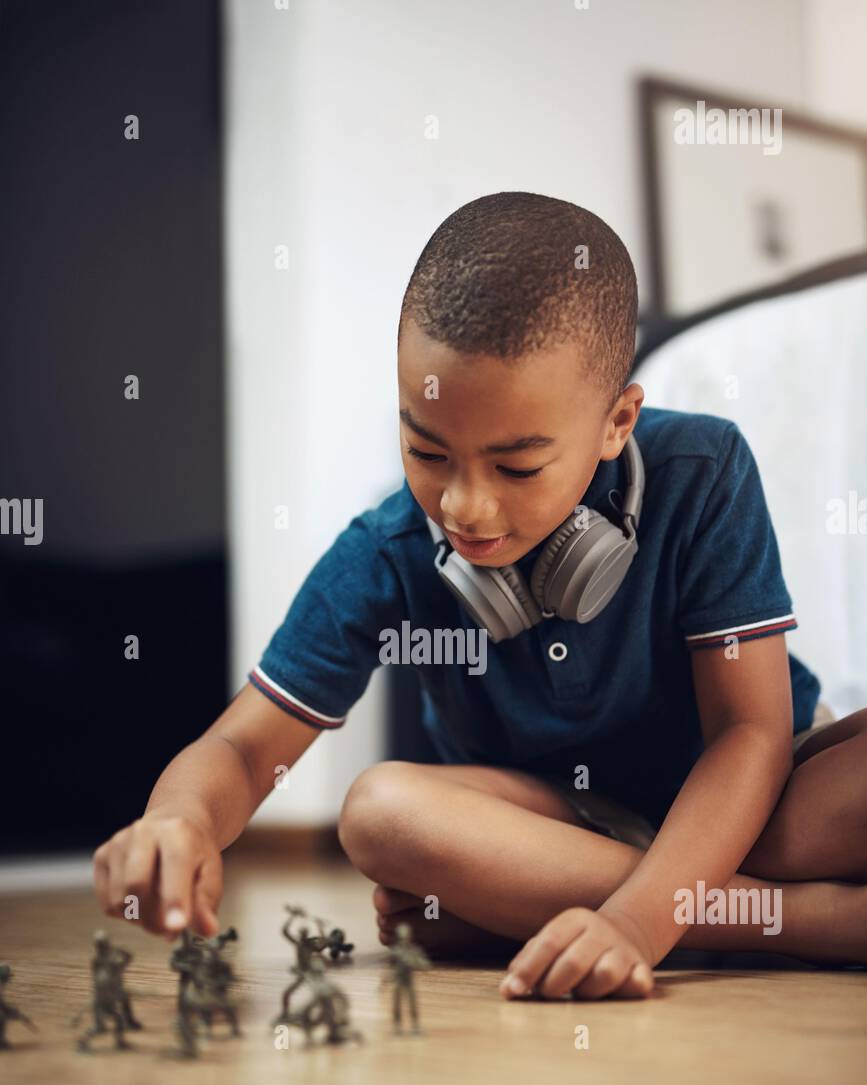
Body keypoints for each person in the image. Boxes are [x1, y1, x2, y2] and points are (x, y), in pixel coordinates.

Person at [92, 192, 867, 1001]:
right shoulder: (387, 551)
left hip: (758, 799)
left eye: (517, 467)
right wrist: (177, 820)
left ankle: (544, 906)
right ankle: (811, 924)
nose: (464, 507)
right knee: (382, 814)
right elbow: (246, 749)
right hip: (547, 823)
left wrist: (630, 920)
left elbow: (748, 732)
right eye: (425, 451)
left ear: (615, 423)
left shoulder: (701, 471)